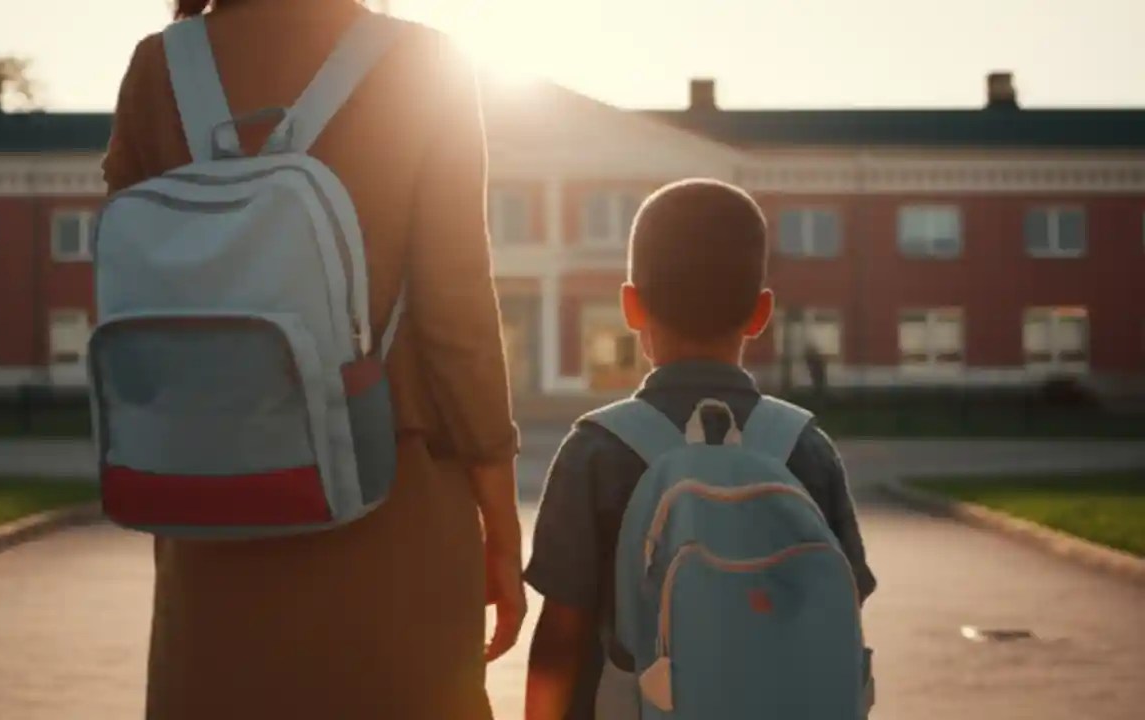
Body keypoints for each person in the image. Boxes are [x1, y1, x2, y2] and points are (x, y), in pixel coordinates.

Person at [102, 1, 525, 717]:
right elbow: (458, 319)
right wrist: (501, 528)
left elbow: (130, 290)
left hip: (214, 506)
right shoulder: (424, 64)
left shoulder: (159, 67)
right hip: (392, 495)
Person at [523, 179, 877, 720]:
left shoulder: (595, 451)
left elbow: (560, 636)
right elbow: (841, 611)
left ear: (630, 306)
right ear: (760, 314)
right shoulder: (806, 449)